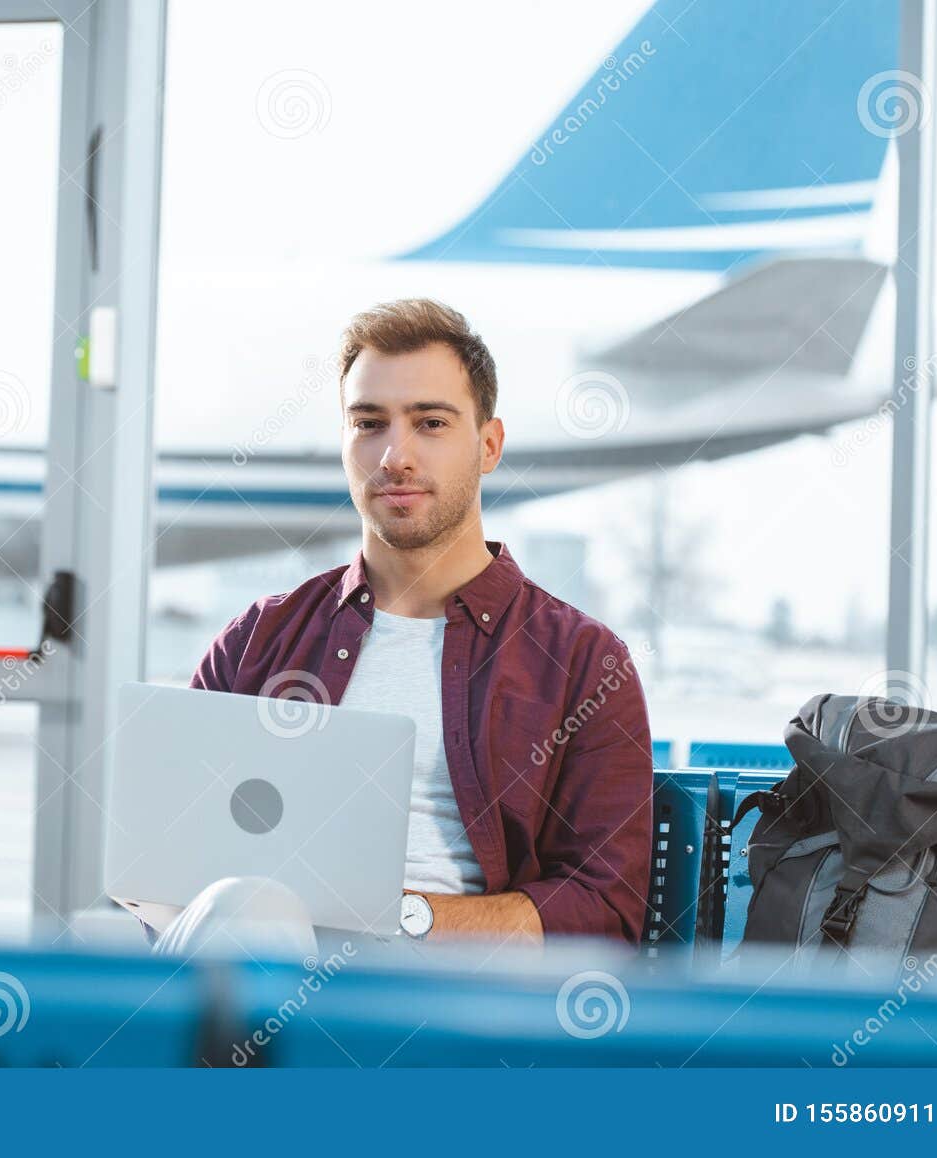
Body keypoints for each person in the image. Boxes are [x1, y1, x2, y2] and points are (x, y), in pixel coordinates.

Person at [155, 299, 652, 961]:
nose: (395, 454)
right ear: (343, 443)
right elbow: (167, 870)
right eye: (369, 423)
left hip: (449, 1009)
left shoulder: (583, 663)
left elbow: (605, 909)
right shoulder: (257, 640)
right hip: (256, 977)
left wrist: (399, 917)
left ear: (489, 445)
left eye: (430, 423)